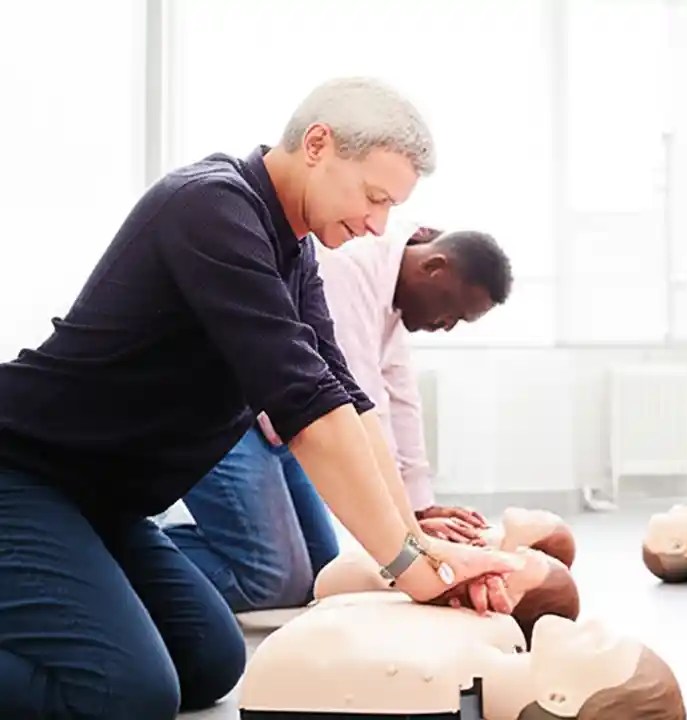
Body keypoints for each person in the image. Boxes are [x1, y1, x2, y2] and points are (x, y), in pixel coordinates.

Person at [0, 77, 516, 719]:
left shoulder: (293, 251)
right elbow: (306, 412)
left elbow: (345, 401)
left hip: (105, 504)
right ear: (319, 145)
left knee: (212, 660)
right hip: (22, 475)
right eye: (374, 197)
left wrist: (418, 539)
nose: (379, 224)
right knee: (123, 696)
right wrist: (409, 565)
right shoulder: (210, 207)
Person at [163, 225, 511, 613]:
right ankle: (125, 555)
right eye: (452, 311)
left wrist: (419, 508)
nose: (446, 325)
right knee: (270, 581)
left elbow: (402, 399)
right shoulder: (351, 269)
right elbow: (362, 409)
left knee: (319, 571)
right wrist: (410, 542)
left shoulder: (393, 300)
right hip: (223, 412)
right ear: (434, 268)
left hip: (277, 424)